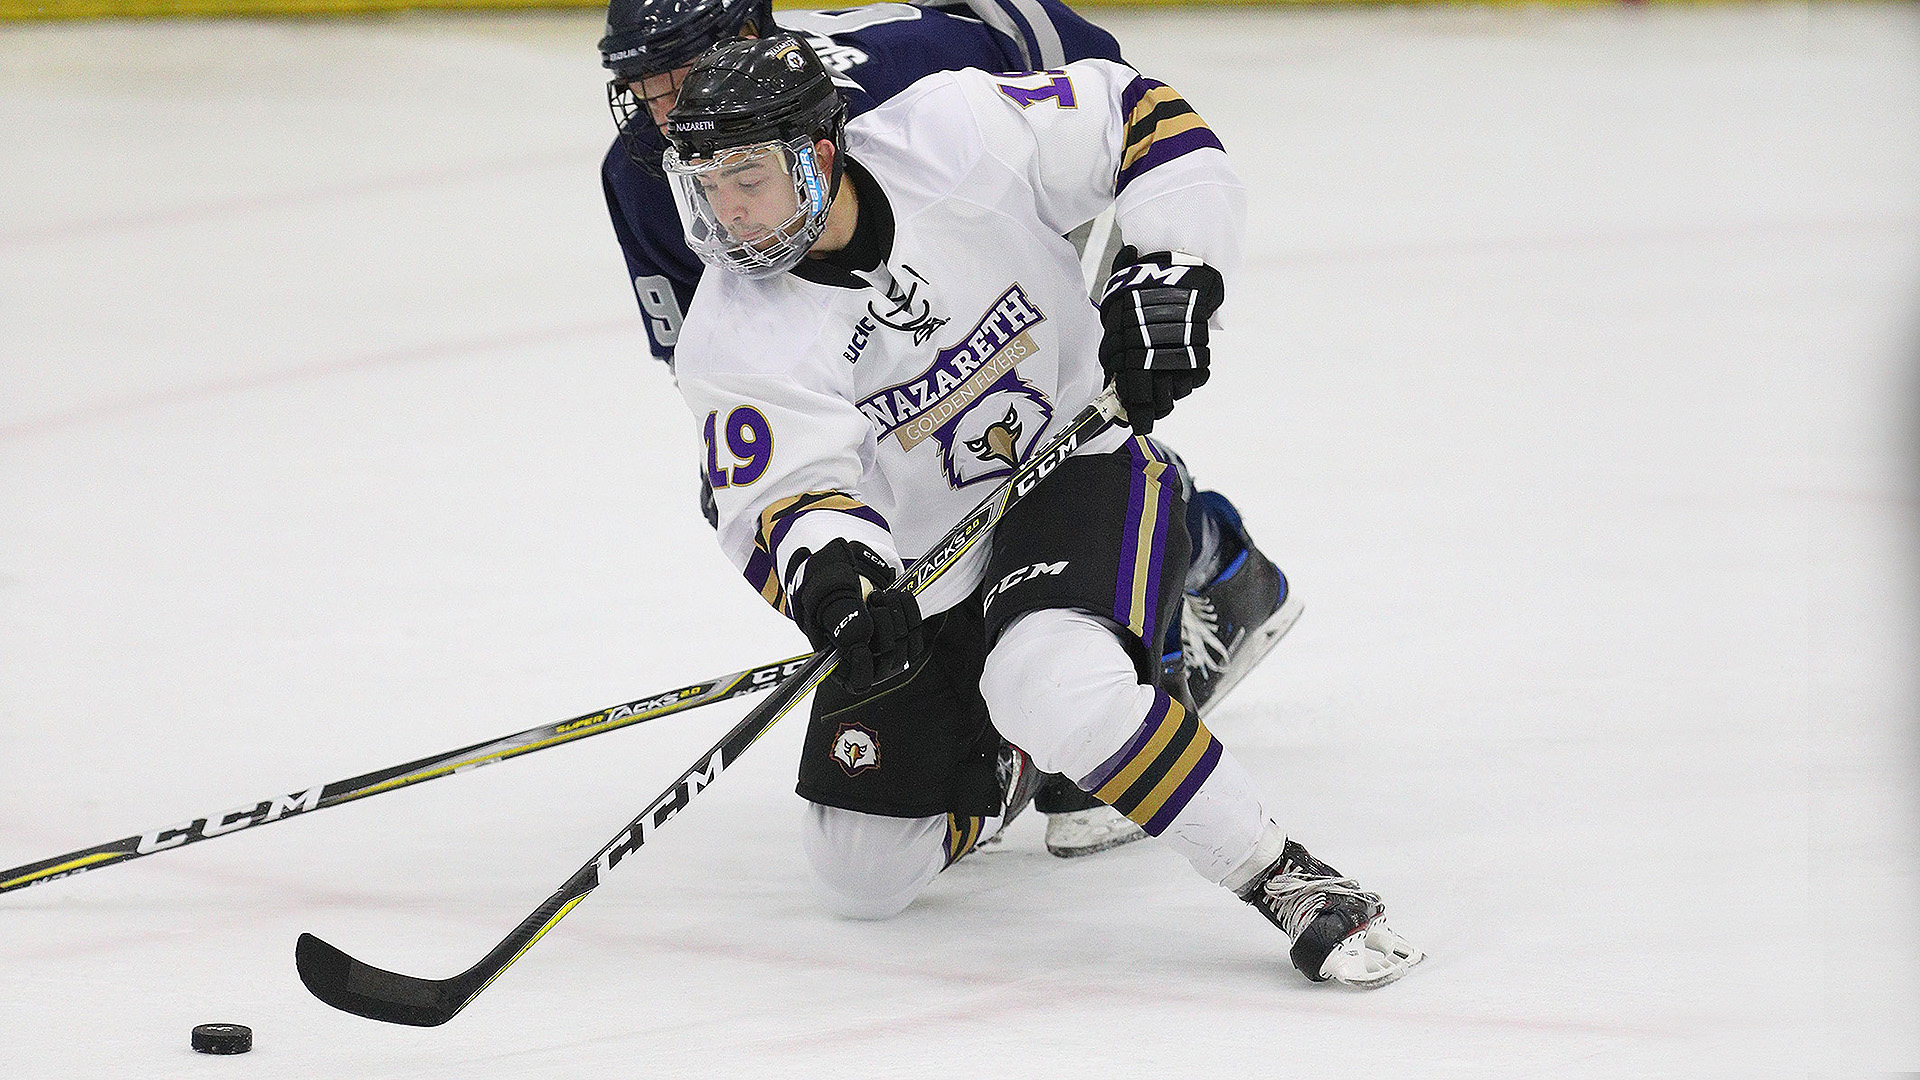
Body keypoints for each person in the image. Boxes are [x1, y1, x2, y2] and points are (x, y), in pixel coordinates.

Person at [656, 32, 1423, 987]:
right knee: (863, 871)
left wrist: (1171, 270)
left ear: (819, 153)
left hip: (1079, 461)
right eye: (703, 187)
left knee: (1050, 681)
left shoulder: (953, 134)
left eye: (747, 178)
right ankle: (1026, 752)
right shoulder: (732, 336)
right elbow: (785, 499)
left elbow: (1143, 116)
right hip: (933, 562)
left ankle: (1288, 878)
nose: (726, 213)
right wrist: (843, 584)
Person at [597, 0, 1302, 859]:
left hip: (992, 225)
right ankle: (970, 677)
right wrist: (837, 572)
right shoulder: (645, 172)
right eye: (641, 86)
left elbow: (1108, 90)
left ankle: (1176, 576)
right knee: (745, 499)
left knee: (1051, 414)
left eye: (678, 74)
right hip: (861, 323)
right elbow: (731, 357)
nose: (663, 111)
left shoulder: (912, 70)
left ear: (753, 40)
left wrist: (1162, 259)